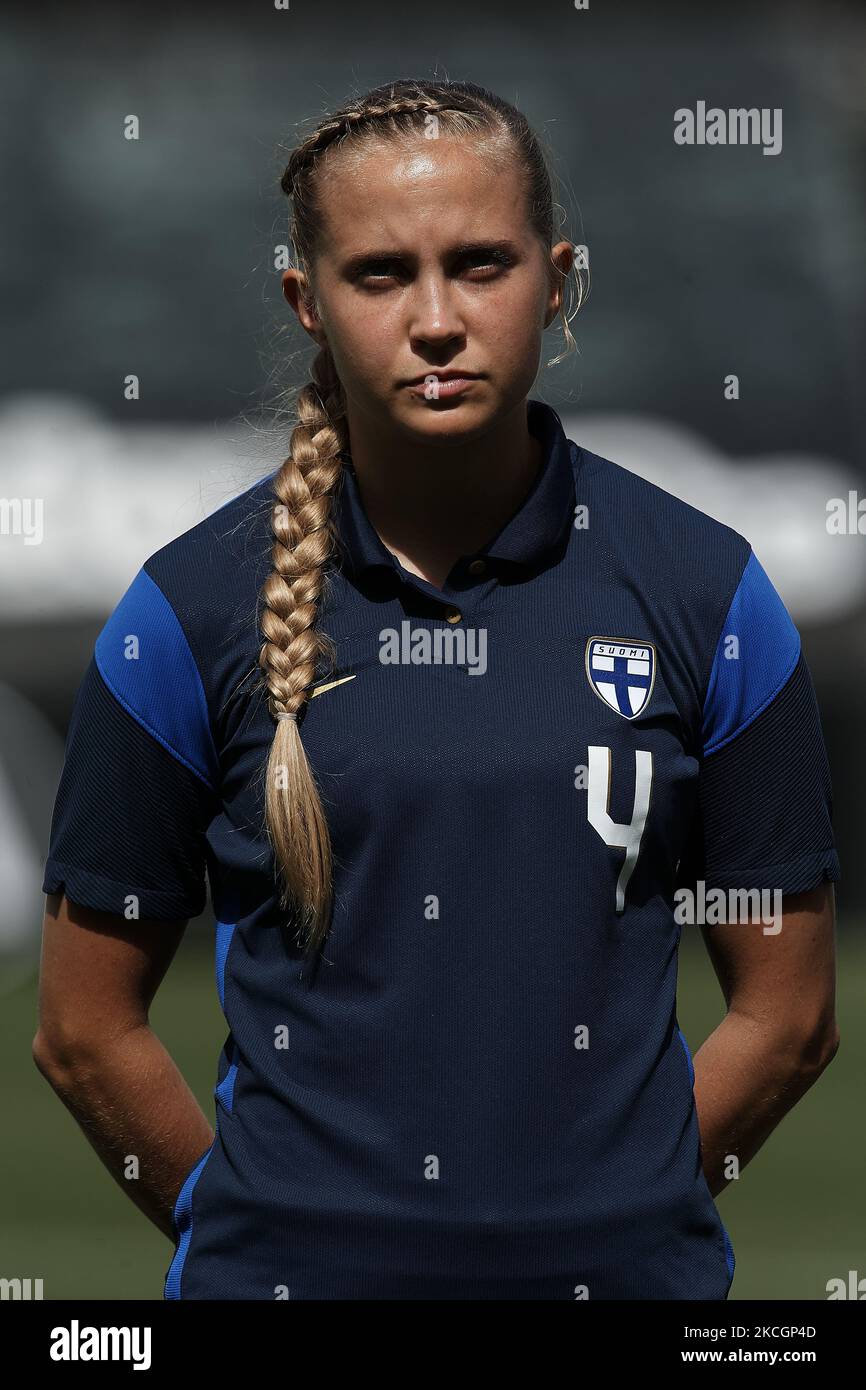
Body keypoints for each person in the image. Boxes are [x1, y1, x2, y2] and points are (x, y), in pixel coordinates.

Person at [35, 78, 840, 1301]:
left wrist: (618, 1211)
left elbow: (788, 1014)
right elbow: (84, 1028)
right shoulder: (183, 611)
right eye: (377, 275)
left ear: (557, 276)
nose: (435, 319)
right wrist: (261, 1237)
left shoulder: (708, 594)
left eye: (479, 264)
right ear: (304, 300)